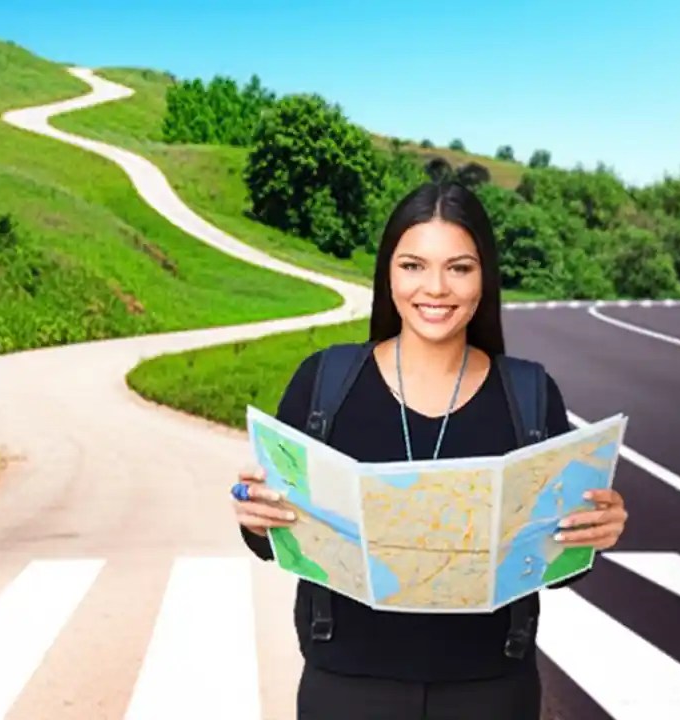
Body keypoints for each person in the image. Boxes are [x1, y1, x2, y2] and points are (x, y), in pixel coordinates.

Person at [231, 180, 628, 719]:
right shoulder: (324, 383)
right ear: (387, 274)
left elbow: (558, 566)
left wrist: (592, 533)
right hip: (346, 686)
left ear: (484, 277)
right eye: (413, 266)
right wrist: (255, 519)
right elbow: (272, 539)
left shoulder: (530, 396)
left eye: (459, 267)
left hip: (491, 691)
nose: (435, 288)